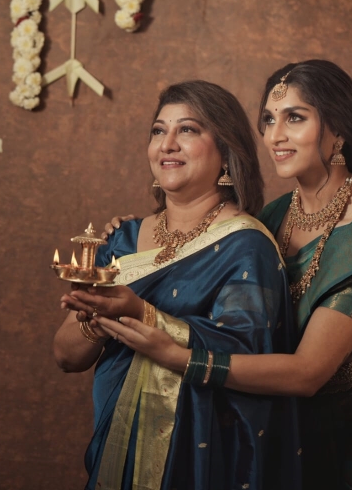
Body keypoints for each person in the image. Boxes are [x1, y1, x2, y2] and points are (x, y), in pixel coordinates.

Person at [95, 60, 352, 489]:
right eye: (268, 119)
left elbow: (307, 373)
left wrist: (179, 357)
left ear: (338, 131)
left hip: (340, 440)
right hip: (266, 424)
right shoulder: (279, 212)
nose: (274, 136)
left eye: (295, 118)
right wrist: (132, 247)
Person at [54, 80, 302, 490]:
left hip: (200, 458)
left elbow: (245, 353)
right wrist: (96, 320)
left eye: (187, 130)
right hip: (120, 441)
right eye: (158, 131)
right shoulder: (122, 238)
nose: (167, 144)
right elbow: (65, 356)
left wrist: (141, 314)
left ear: (226, 152)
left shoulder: (247, 246)